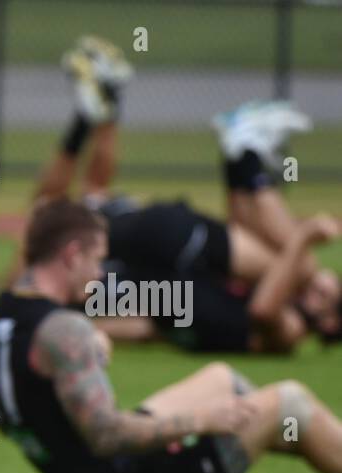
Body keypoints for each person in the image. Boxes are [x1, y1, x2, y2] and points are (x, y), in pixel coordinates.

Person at [0, 198, 342, 473]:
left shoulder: (0, 317)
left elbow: (33, 392)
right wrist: (201, 420)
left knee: (221, 379)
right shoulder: (65, 331)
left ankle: (293, 432)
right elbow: (106, 436)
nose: (100, 273)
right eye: (97, 260)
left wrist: (88, 346)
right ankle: (293, 429)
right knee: (290, 403)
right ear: (71, 255)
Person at [27, 37, 340, 353]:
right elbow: (243, 236)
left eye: (328, 296)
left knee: (57, 217)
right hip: (174, 262)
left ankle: (242, 153)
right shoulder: (268, 290)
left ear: (330, 323)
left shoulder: (290, 327)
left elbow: (261, 307)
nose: (322, 288)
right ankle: (243, 156)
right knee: (70, 212)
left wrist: (305, 238)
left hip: (166, 274)